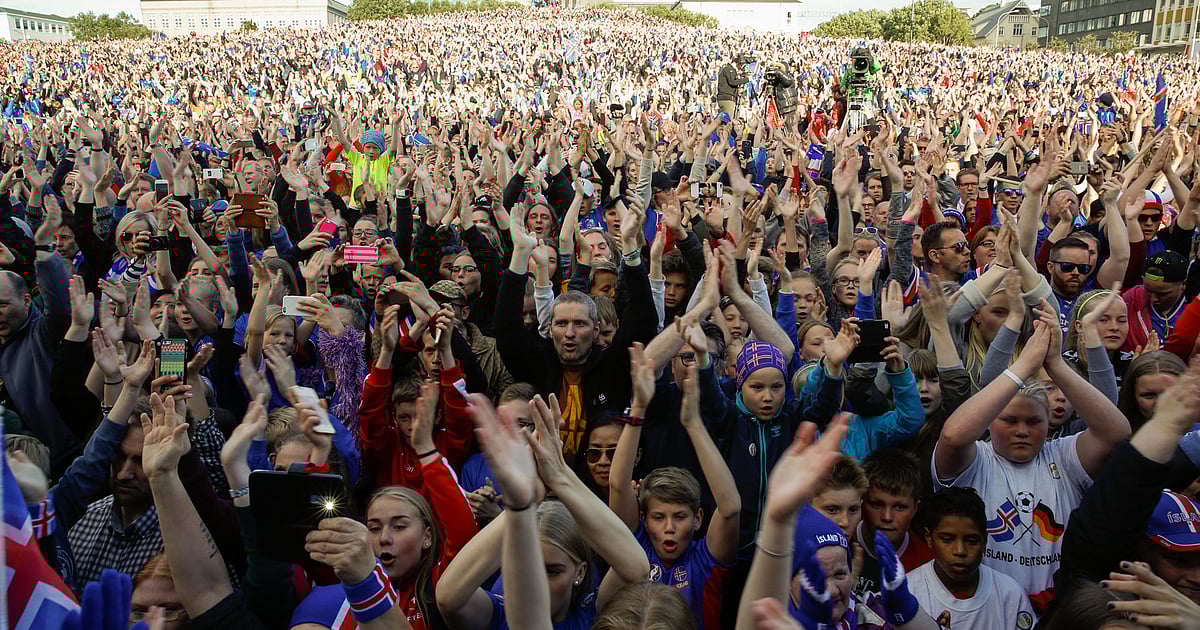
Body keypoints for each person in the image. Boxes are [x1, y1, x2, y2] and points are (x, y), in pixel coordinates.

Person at [933, 307, 1132, 613]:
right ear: (989, 421)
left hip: (1054, 608)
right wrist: (1023, 367)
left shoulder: (1062, 455)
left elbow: (1117, 432)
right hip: (983, 609)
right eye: (1010, 421)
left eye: (1034, 422)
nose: (1022, 431)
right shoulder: (976, 459)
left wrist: (1055, 364)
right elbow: (952, 436)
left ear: (1047, 423)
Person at [610, 342, 740, 629]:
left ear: (698, 519)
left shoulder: (704, 561)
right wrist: (639, 407)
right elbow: (618, 485)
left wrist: (693, 424)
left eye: (679, 516)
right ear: (643, 518)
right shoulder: (636, 550)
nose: (669, 527)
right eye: (658, 517)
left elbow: (730, 508)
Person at [906, 488, 1037, 630]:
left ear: (985, 540)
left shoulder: (1009, 595)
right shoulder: (908, 593)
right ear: (929, 538)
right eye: (947, 540)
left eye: (972, 541)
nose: (960, 551)